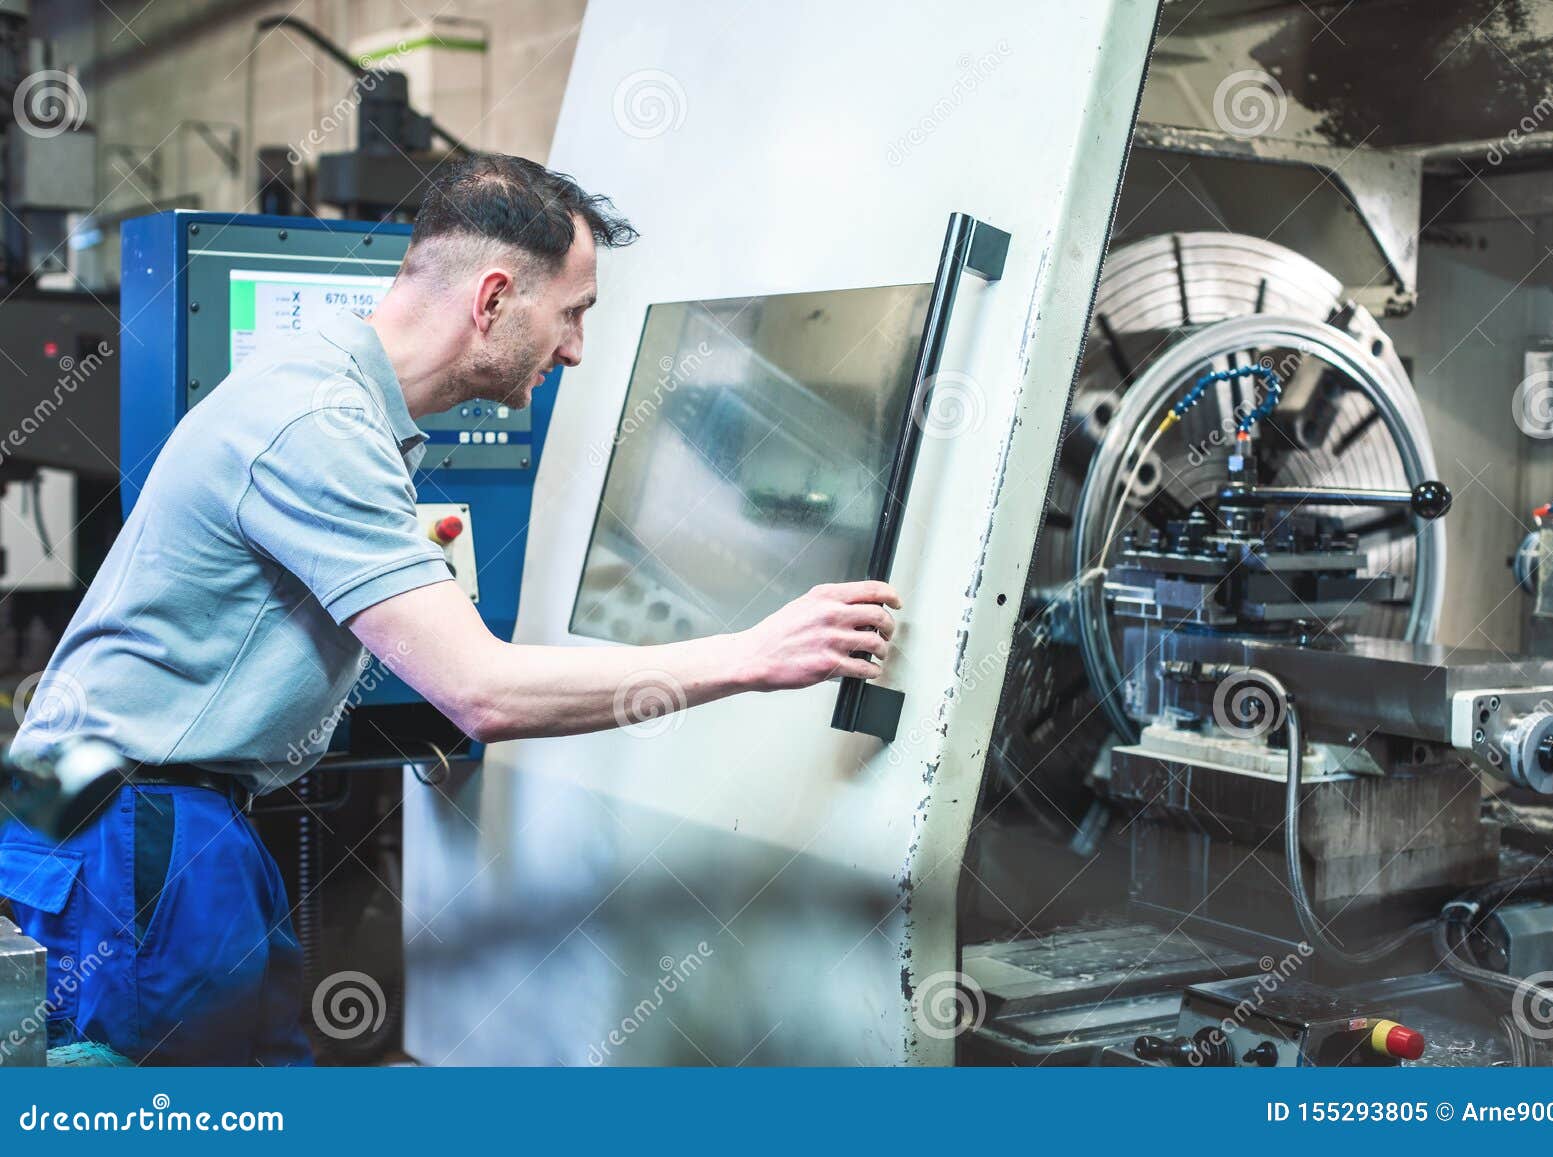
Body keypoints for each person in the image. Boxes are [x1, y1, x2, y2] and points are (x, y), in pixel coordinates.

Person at [0, 153, 901, 1065]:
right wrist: (751, 654)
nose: (575, 349)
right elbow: (481, 692)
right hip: (136, 823)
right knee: (189, 1112)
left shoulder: (333, 397)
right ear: (494, 297)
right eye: (574, 312)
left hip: (136, 809)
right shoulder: (320, 423)